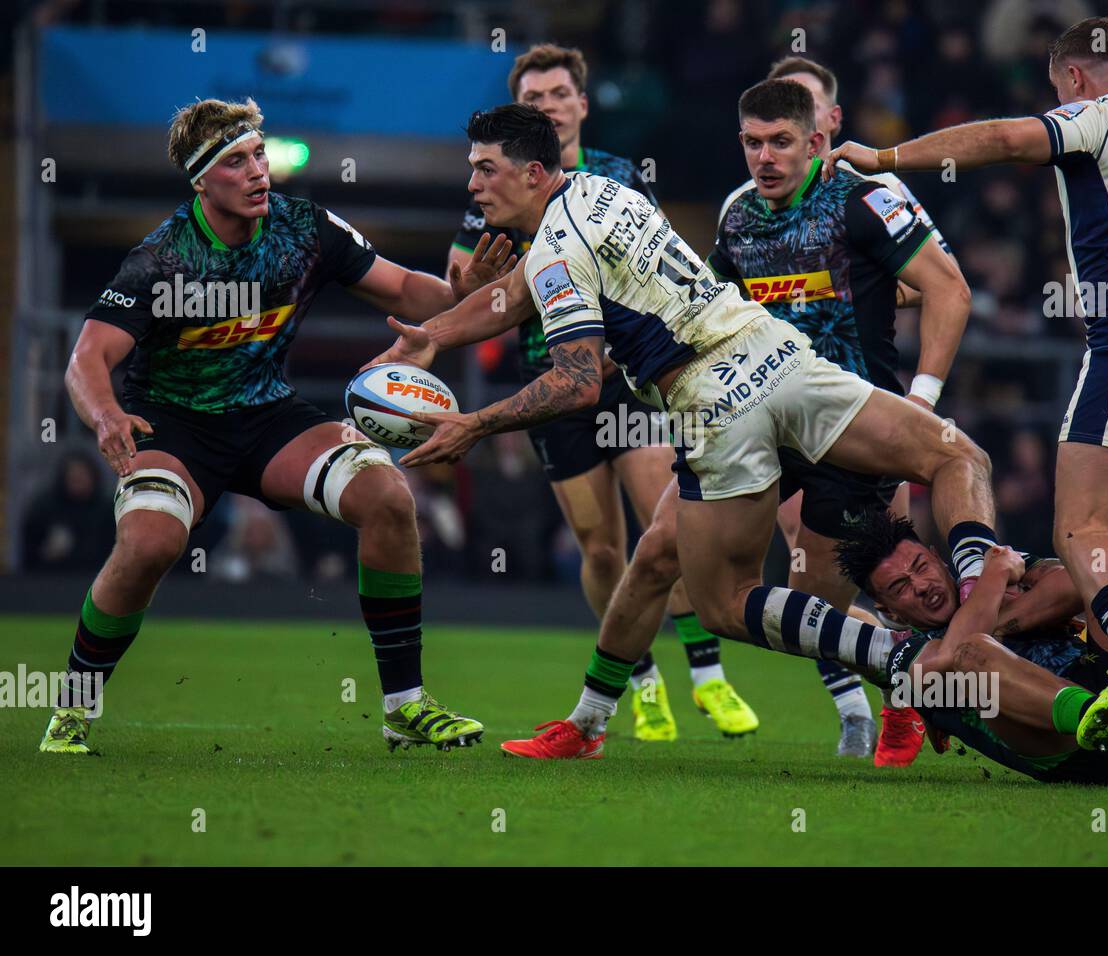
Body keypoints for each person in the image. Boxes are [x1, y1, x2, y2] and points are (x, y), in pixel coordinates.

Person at [366, 103, 1007, 761]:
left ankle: (909, 660)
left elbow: (577, 382)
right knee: (956, 456)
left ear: (532, 173)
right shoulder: (600, 190)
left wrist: (476, 422)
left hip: (714, 400)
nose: (472, 185)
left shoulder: (559, 251)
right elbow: (515, 294)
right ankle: (984, 593)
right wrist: (432, 335)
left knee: (724, 604)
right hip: (777, 353)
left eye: (483, 170)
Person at [830, 15, 1108, 788]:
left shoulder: (1096, 117)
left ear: (1071, 78)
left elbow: (1007, 141)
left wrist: (883, 156)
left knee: (1080, 525)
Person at [38, 97, 511, 755]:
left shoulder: (306, 230)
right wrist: (107, 414)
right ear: (202, 180)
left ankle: (404, 706)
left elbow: (406, 290)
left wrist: (469, 292)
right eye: (236, 161)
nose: (258, 171)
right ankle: (72, 706)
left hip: (268, 416)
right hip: (173, 425)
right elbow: (88, 357)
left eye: (260, 154)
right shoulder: (161, 257)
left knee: (389, 499)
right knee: (148, 545)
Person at [446, 43, 758, 741]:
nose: (549, 105)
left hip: (628, 374)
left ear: (582, 104)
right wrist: (468, 293)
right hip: (550, 379)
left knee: (662, 526)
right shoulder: (493, 188)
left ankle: (707, 675)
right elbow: (465, 286)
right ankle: (643, 680)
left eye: (559, 94)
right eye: (534, 97)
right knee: (598, 547)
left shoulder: (617, 178)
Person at [719, 58, 968, 763]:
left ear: (824, 129)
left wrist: (917, 403)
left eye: (783, 137)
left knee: (855, 585)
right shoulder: (738, 213)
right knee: (666, 553)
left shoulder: (872, 195)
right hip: (769, 423)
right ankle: (594, 715)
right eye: (753, 141)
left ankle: (916, 685)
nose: (766, 154)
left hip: (858, 417)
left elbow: (939, 283)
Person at [835, 510, 1108, 786]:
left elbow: (1077, 582)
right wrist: (998, 578)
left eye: (921, 567)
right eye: (900, 587)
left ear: (938, 558)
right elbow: (948, 658)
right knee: (971, 653)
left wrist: (997, 619)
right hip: (1075, 752)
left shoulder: (985, 578)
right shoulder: (905, 654)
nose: (922, 586)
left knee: (1105, 547)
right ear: (889, 612)